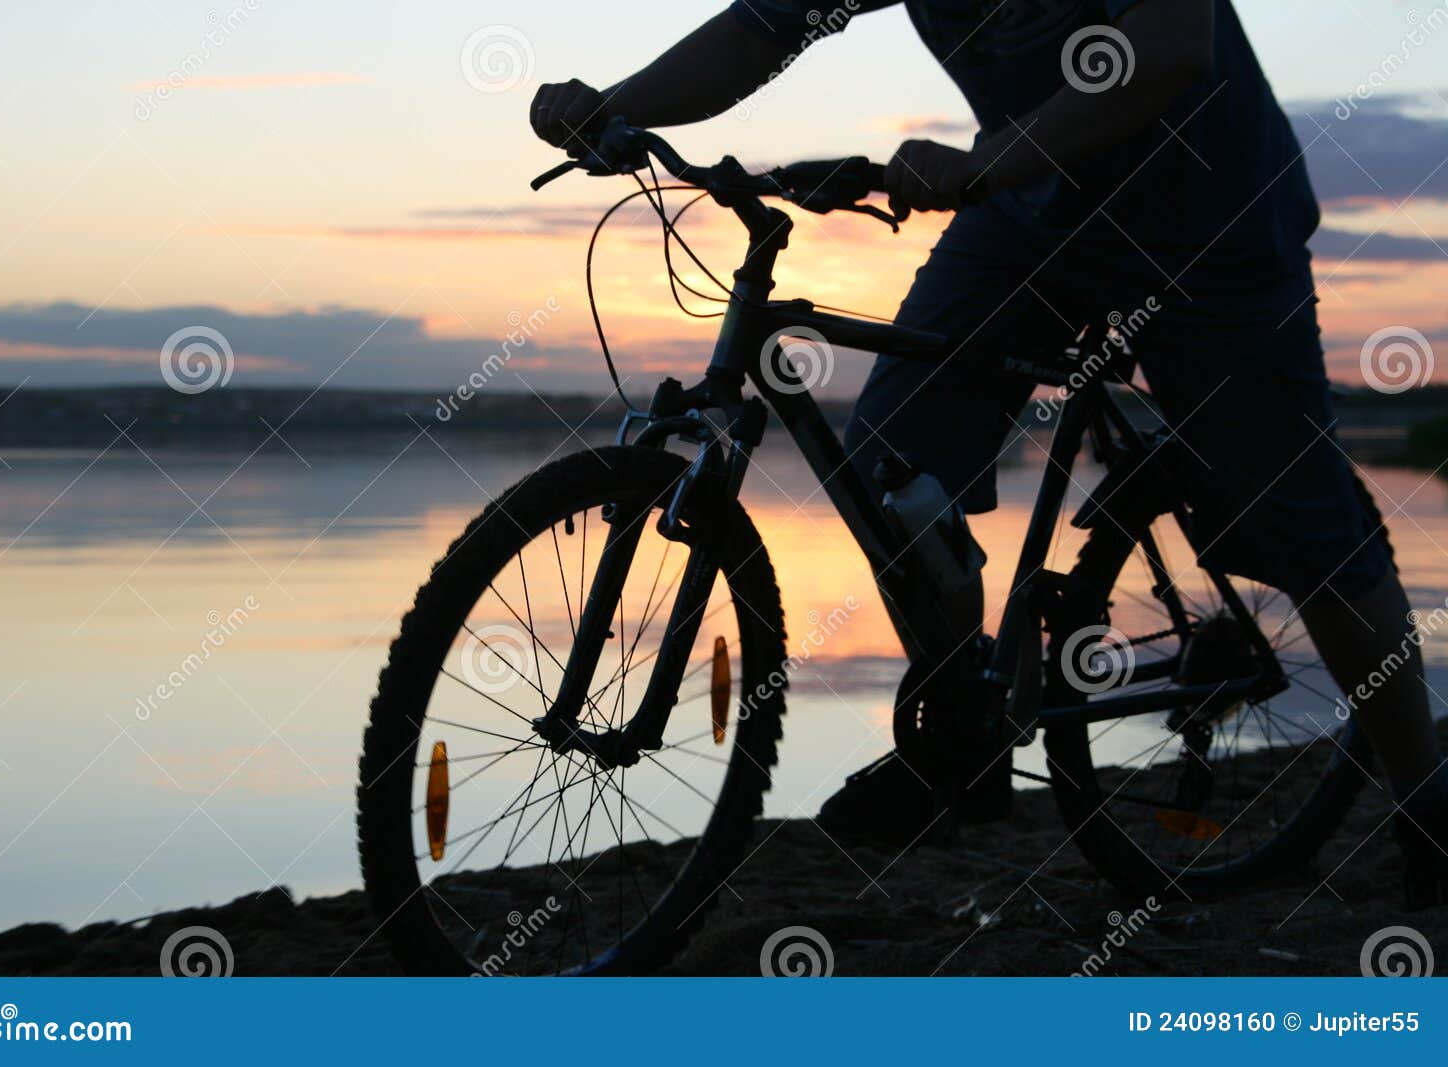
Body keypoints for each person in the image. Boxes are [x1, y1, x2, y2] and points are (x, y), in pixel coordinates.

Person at [528, 0, 1447, 907]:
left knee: (1297, 513)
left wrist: (980, 165)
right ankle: (963, 730)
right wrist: (614, 105)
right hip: (1034, 205)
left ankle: (1425, 800)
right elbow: (759, 29)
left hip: (1208, 213)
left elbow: (1172, 45)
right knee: (890, 460)